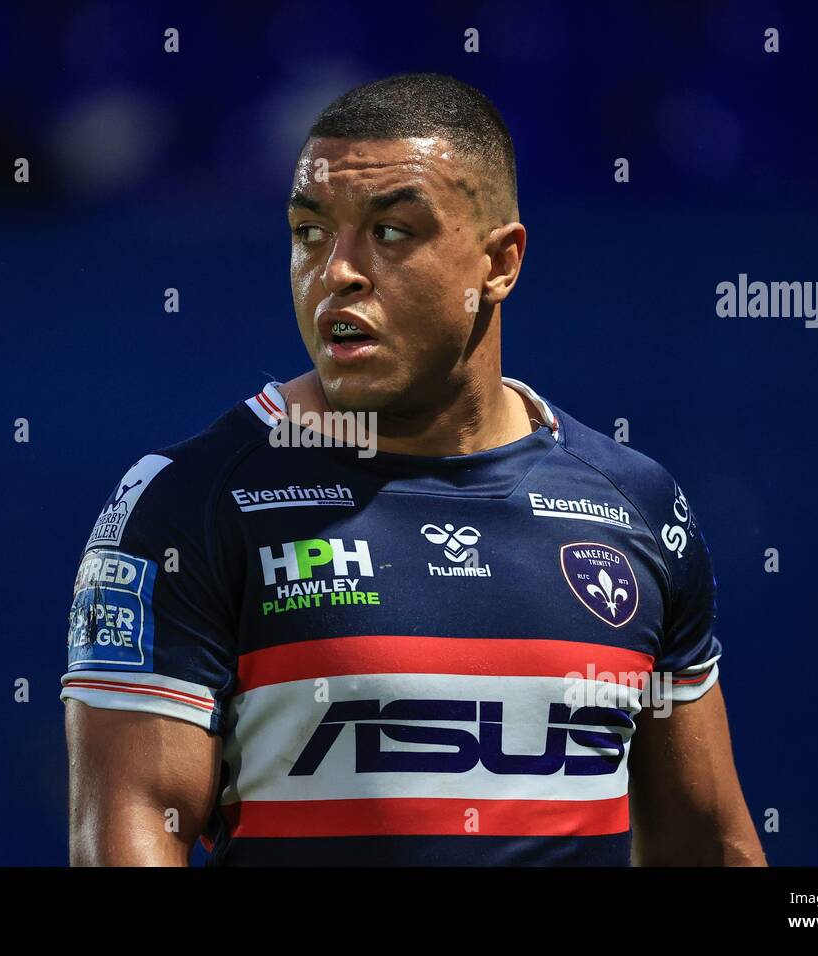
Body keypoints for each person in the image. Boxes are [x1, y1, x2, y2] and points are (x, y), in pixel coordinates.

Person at [63, 72, 766, 866]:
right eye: (309, 232)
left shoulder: (638, 505)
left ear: (499, 264)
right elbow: (132, 830)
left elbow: (704, 842)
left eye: (392, 232)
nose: (337, 272)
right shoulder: (184, 505)